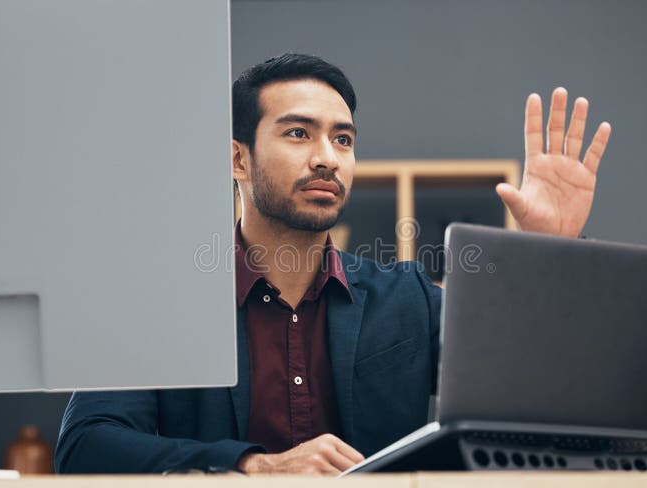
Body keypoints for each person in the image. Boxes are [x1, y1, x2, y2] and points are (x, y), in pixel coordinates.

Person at [55, 53, 610, 475]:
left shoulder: (410, 296)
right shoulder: (160, 306)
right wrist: (255, 466)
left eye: (342, 139)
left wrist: (552, 250)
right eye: (298, 133)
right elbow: (86, 444)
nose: (327, 157)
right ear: (236, 157)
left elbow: (540, 395)